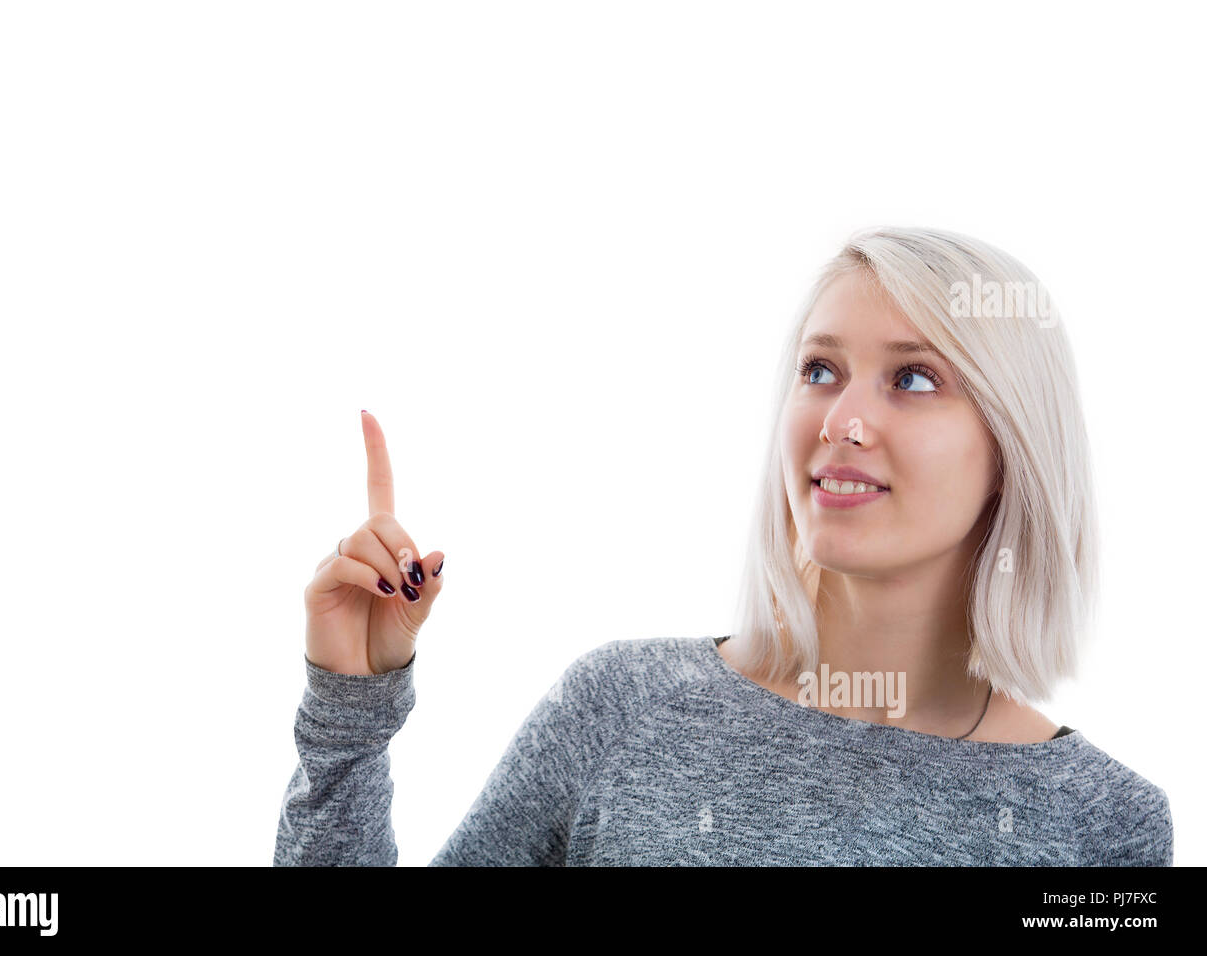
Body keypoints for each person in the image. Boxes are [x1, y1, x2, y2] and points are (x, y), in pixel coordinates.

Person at [273, 227, 1173, 866]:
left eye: (913, 378)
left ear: (1014, 451)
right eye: (820, 370)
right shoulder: (622, 706)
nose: (844, 421)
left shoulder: (1105, 827)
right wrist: (350, 713)